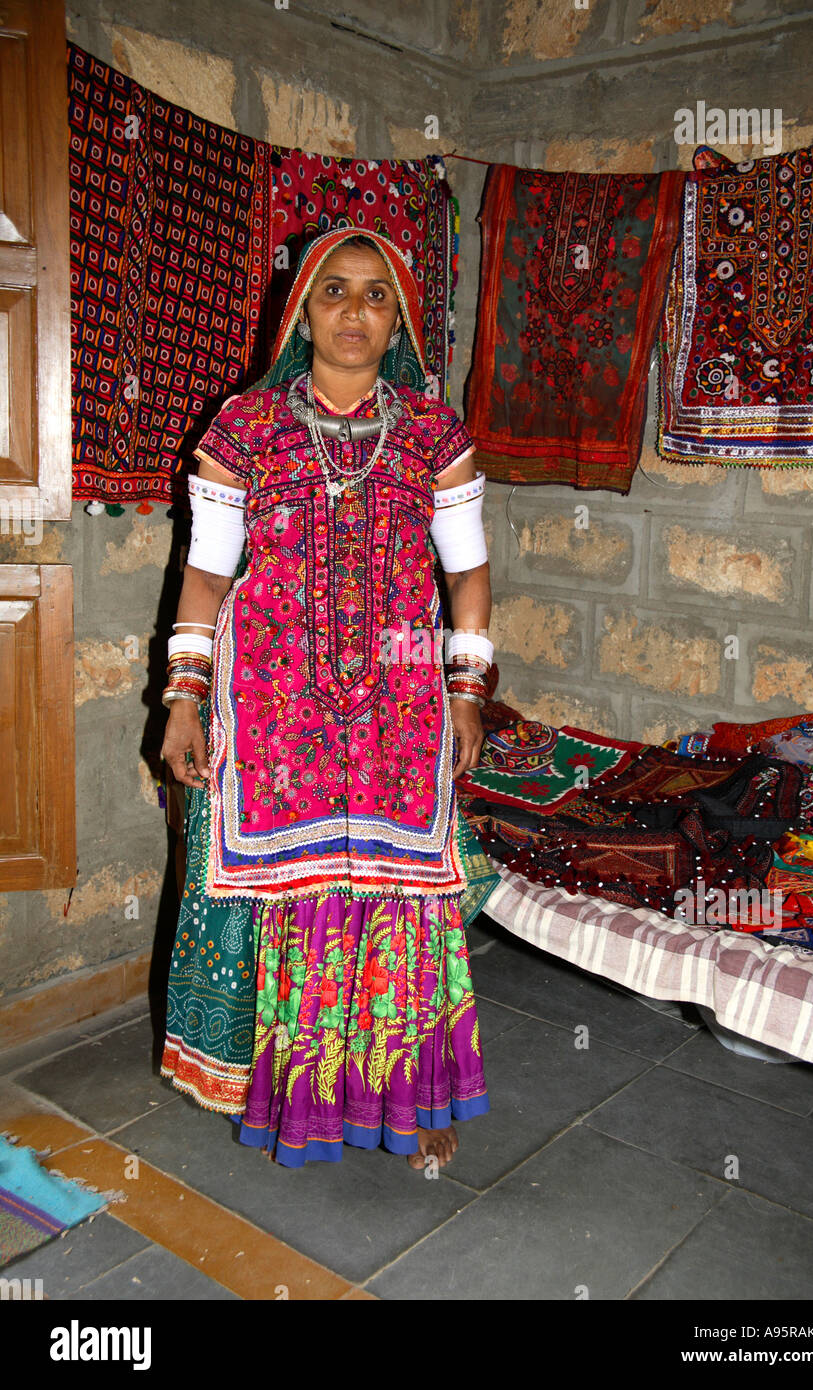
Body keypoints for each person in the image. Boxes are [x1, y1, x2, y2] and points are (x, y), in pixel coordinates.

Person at [159, 225, 494, 1171]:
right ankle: (300, 1105)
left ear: (400, 322)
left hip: (401, 705)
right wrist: (182, 698)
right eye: (335, 292)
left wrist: (465, 692)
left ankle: (414, 1099)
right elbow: (204, 578)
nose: (355, 312)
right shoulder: (245, 429)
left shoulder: (436, 435)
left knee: (405, 894)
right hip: (272, 707)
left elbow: (467, 578)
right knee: (295, 896)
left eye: (376, 296)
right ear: (302, 313)